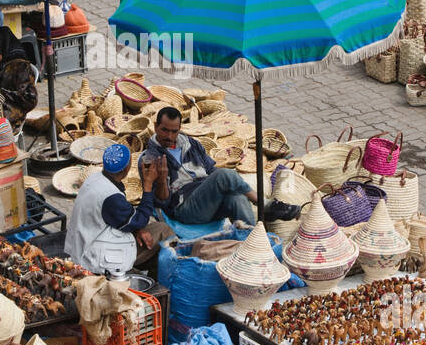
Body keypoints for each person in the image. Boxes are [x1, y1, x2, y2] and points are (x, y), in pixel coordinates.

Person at [145, 107, 297, 226]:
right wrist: (162, 180)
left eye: (174, 131)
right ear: (156, 126)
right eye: (165, 130)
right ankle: (264, 205)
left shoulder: (190, 144)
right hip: (184, 208)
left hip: (206, 200)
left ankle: (251, 245)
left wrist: (229, 184)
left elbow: (211, 170)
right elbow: (161, 202)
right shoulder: (150, 158)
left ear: (179, 129)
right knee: (224, 174)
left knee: (237, 197)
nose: (169, 136)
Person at [65, 144, 168, 277]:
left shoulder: (94, 178)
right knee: (164, 231)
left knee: (150, 231)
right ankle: (150, 276)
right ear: (127, 168)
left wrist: (137, 229)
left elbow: (125, 218)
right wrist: (147, 185)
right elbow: (140, 220)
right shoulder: (111, 197)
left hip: (84, 244)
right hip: (94, 258)